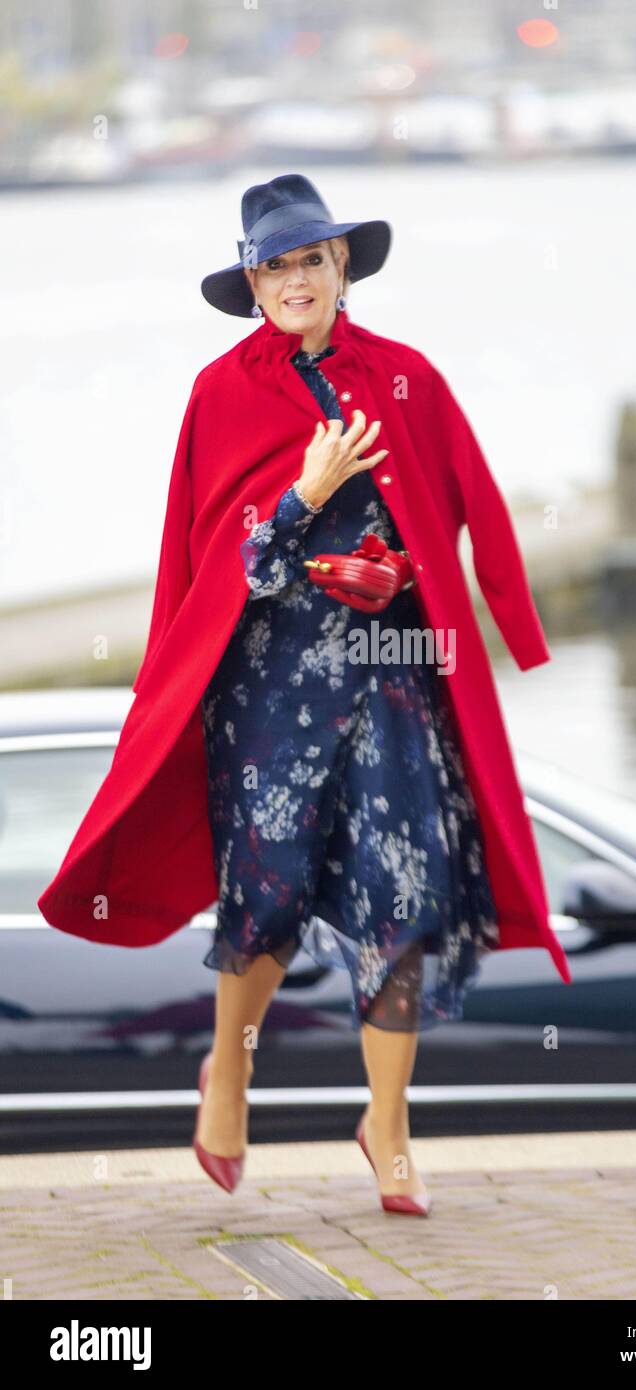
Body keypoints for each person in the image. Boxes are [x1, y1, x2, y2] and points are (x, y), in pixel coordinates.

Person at [37, 173, 571, 1213]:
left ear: (341, 271)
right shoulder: (219, 392)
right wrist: (304, 497)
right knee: (267, 898)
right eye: (273, 263)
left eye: (311, 259)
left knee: (401, 900)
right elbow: (220, 564)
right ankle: (228, 1076)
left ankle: (389, 1128)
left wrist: (500, 621)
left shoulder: (409, 377)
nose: (294, 278)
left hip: (393, 683)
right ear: (250, 280)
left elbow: (472, 507)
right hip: (269, 691)